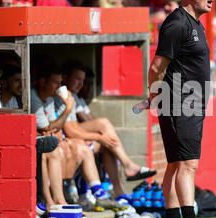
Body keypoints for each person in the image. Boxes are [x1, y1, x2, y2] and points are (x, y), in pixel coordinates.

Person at [148, 0, 216, 218]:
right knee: (187, 164)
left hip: (191, 102)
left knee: (176, 164)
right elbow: (156, 67)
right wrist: (155, 95)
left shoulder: (195, 23)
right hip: (179, 103)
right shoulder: (177, 23)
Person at [57, 60, 156, 206]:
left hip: (75, 140)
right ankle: (125, 167)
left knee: (106, 141)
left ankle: (118, 191)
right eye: (77, 79)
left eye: (83, 81)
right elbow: (71, 130)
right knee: (103, 128)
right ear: (64, 78)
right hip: (65, 143)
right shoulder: (61, 96)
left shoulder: (75, 97)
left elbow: (88, 121)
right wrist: (99, 136)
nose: (81, 84)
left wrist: (102, 136)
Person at [31, 64, 124, 211]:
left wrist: (54, 128)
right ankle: (57, 199)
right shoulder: (35, 97)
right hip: (34, 145)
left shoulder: (50, 99)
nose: (58, 86)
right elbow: (50, 128)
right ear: (43, 82)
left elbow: (54, 127)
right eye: (56, 82)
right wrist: (67, 109)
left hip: (54, 139)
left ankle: (95, 194)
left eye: (60, 83)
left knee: (80, 147)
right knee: (63, 149)